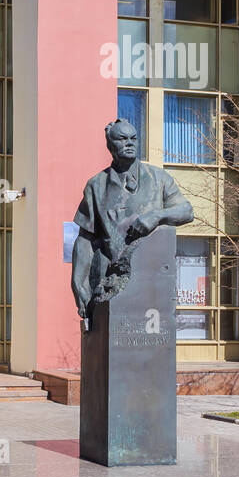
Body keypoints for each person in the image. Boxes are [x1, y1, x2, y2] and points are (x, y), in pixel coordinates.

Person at [69, 119, 193, 330]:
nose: (129, 143)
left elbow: (186, 211)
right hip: (111, 281)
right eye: (122, 138)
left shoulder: (159, 179)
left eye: (133, 138)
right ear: (110, 145)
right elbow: (85, 238)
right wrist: (77, 283)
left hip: (151, 278)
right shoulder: (97, 185)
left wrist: (156, 215)